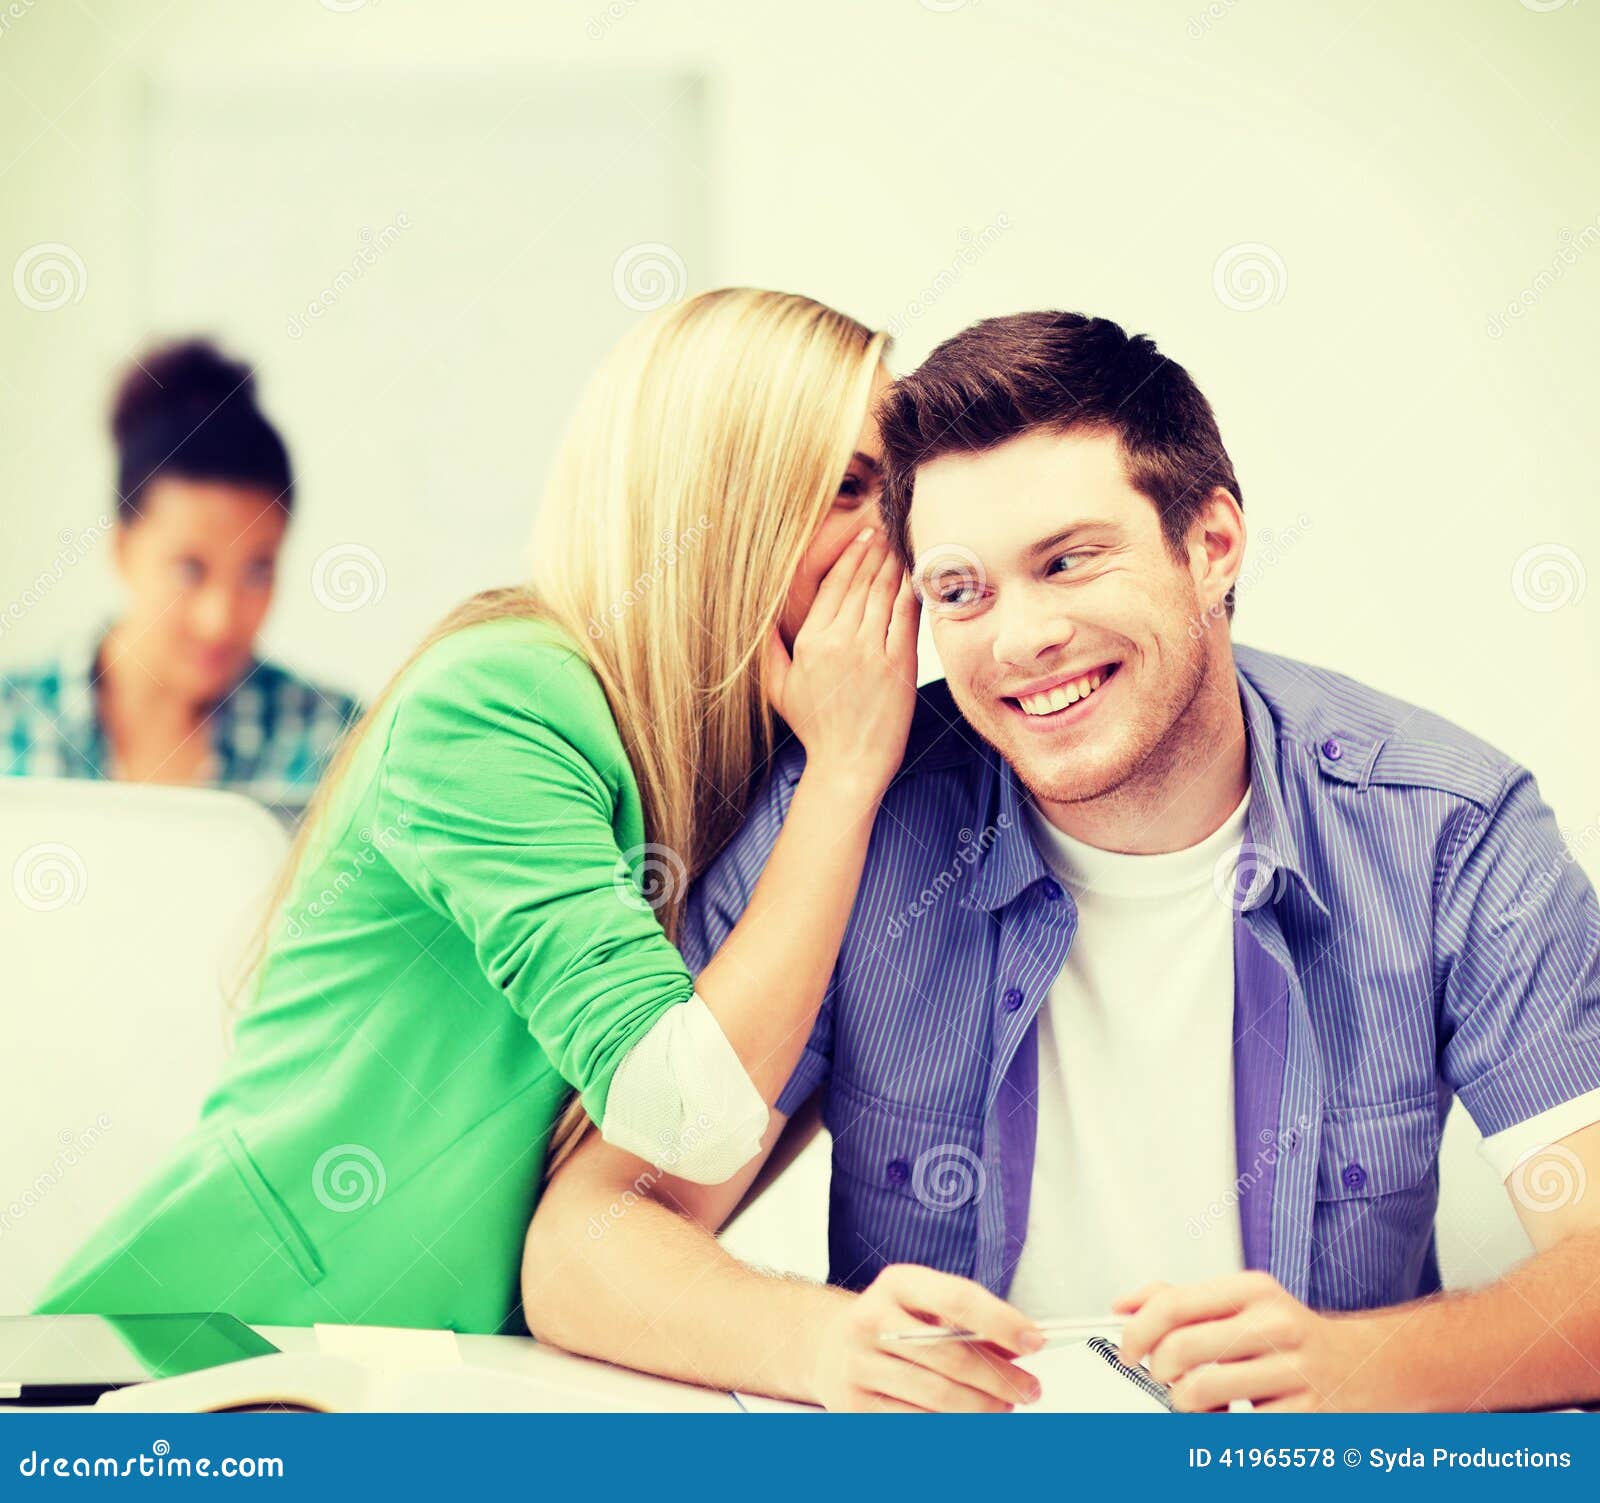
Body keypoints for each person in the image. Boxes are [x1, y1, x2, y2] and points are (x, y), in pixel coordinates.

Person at [525, 310, 1600, 1413]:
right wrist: (821, 1344)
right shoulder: (849, 814)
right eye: (960, 589)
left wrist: (1361, 1368)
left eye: (1068, 561)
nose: (1020, 639)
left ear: (1211, 543)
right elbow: (585, 1241)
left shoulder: (1447, 830)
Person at [33, 289, 918, 1334]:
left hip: (446, 1382)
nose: (899, 537)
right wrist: (849, 773)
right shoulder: (497, 700)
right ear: (723, 502)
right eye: (851, 485)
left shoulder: (761, 768)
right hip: (203, 1360)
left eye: (897, 492)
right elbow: (690, 1116)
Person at [0, 339, 360, 826]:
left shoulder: (333, 741)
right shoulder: (13, 723)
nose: (220, 621)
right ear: (123, 551)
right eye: (190, 570)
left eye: (258, 572)